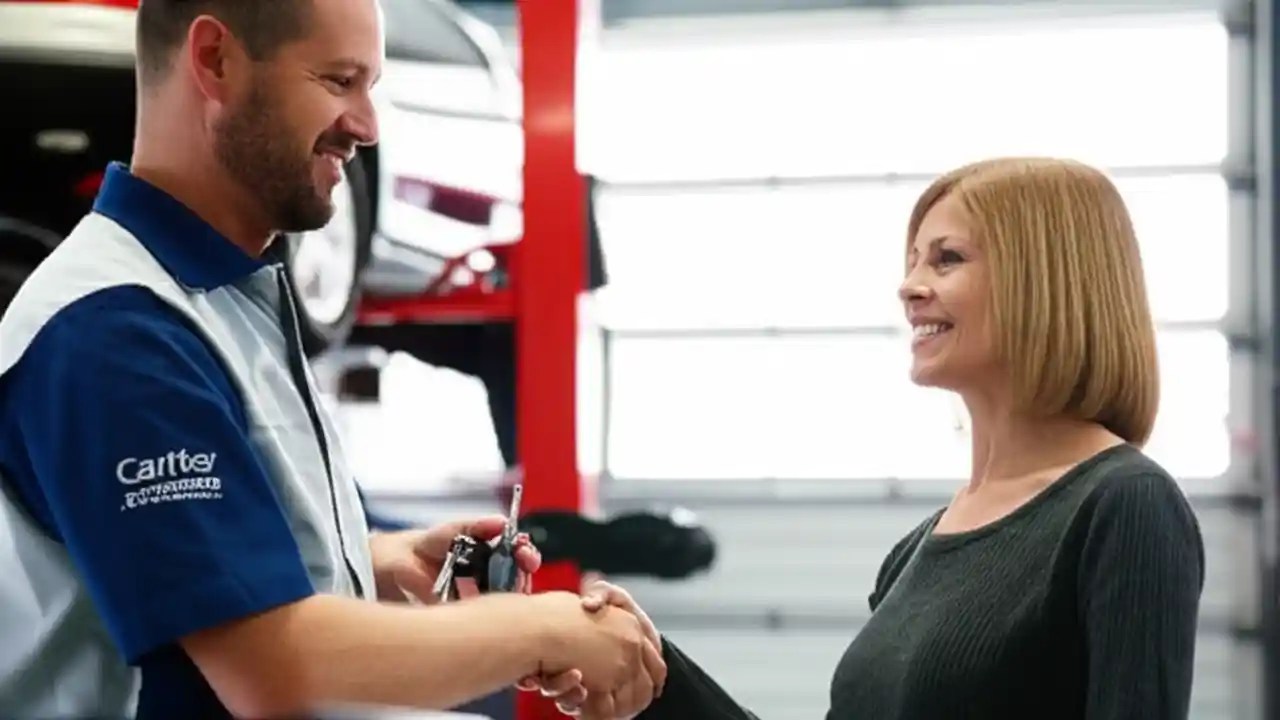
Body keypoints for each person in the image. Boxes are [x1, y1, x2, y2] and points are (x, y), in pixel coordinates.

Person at [0, 1, 664, 717]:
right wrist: (537, 628)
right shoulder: (114, 330)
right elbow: (270, 668)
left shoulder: (230, 297)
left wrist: (369, 560)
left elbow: (174, 563)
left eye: (369, 87)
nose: (367, 127)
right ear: (215, 59)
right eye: (339, 81)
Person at [556, 157, 1207, 719]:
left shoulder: (1125, 506)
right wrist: (654, 672)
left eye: (947, 259)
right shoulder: (917, 549)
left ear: (1045, 279)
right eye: (913, 260)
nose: (909, 287)